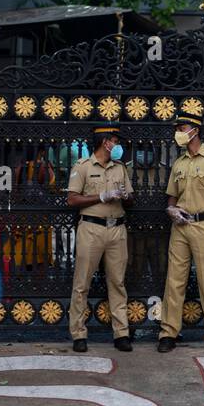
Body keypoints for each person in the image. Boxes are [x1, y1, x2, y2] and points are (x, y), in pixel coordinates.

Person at [158, 109, 204, 353]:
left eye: (181, 128)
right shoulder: (178, 163)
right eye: (177, 129)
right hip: (181, 226)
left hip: (203, 225)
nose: (178, 133)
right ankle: (169, 332)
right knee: (174, 280)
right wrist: (171, 211)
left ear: (194, 130)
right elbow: (171, 197)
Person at [66, 124, 134, 353]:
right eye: (114, 141)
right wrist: (102, 196)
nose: (117, 145)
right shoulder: (83, 166)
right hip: (91, 229)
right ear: (105, 142)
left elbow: (130, 199)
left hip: (117, 229)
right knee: (82, 283)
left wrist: (125, 196)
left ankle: (121, 333)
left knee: (117, 282)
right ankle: (78, 333)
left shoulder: (120, 168)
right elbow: (72, 200)